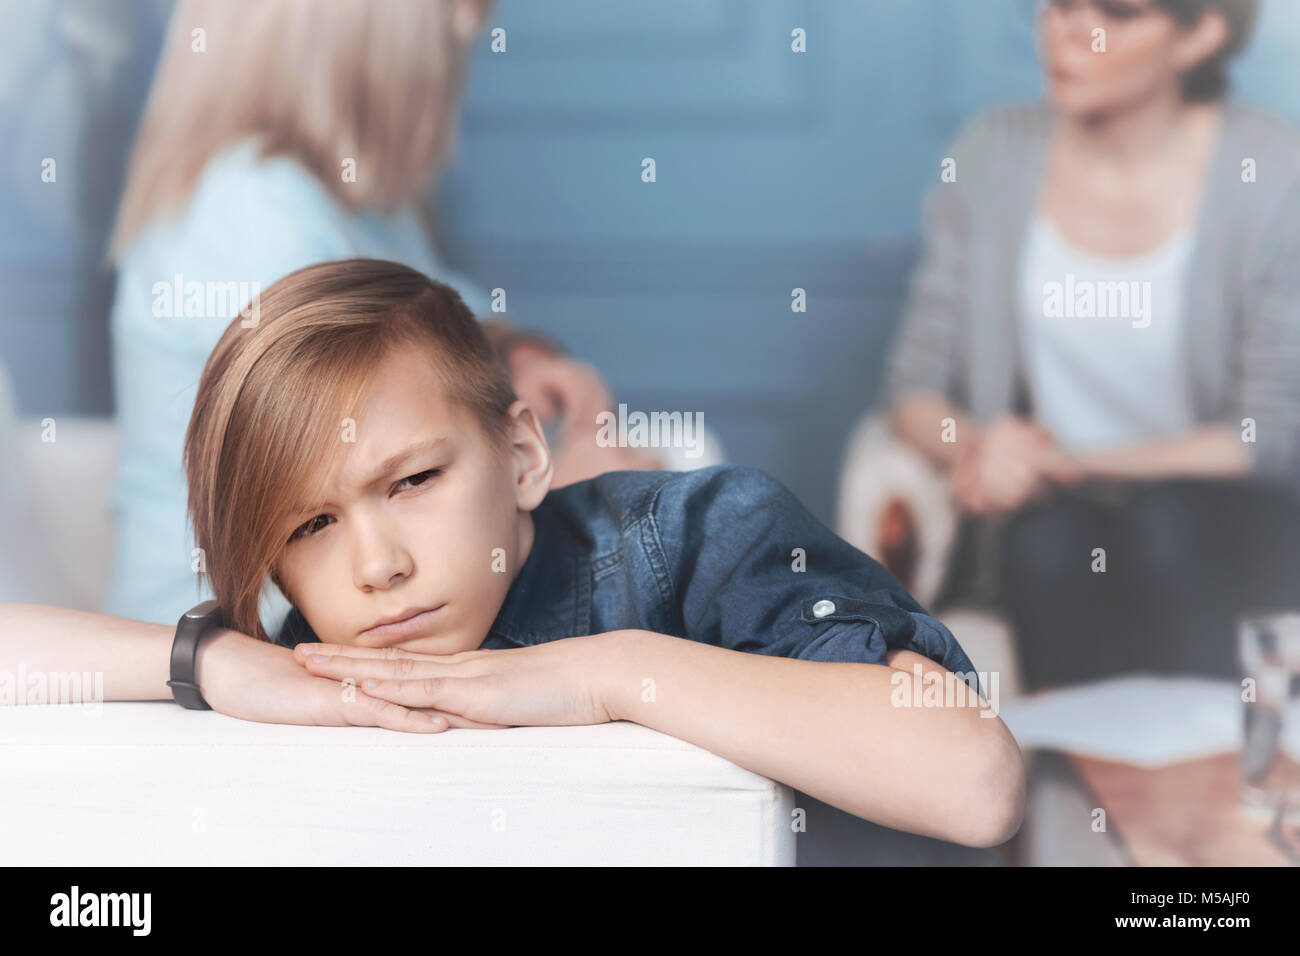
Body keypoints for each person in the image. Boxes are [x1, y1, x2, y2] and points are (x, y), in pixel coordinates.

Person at [1, 258, 1025, 852]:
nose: (376, 565)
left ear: (524, 451)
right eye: (308, 526)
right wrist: (218, 659)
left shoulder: (701, 532)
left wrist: (604, 670)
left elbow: (974, 781)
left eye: (412, 482)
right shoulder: (324, 647)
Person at [103, 0, 658, 635]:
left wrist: (523, 352)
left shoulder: (357, 199)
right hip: (243, 631)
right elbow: (335, 458)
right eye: (441, 48)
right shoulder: (253, 213)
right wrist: (579, 502)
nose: (445, 80)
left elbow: (430, 317)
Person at [880, 0, 1300, 690]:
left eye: (1116, 11)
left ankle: (1197, 777)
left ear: (1200, 35)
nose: (1068, 30)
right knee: (1047, 538)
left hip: (1215, 517)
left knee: (1164, 525)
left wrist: (1064, 460)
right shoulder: (993, 152)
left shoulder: (1274, 171)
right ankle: (1078, 785)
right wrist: (982, 448)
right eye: (1060, 3)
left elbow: (1267, 436)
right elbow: (914, 389)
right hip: (1050, 515)